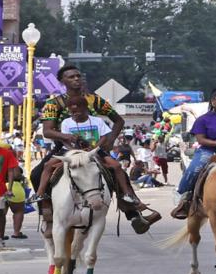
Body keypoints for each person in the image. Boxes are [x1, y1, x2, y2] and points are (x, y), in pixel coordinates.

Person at [36, 64, 161, 234]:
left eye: (78, 76)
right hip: (65, 148)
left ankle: (133, 214)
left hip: (95, 147)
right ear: (62, 81)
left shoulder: (95, 100)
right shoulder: (54, 103)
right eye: (71, 77)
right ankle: (46, 210)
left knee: (118, 172)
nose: (76, 79)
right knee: (36, 174)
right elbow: (47, 130)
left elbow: (119, 121)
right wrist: (67, 137)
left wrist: (109, 140)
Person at [170, 87, 216, 220]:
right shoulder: (203, 119)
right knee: (195, 169)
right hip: (209, 150)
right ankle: (183, 198)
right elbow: (201, 139)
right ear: (213, 101)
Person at [6, 167, 30, 238]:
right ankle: (16, 233)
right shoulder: (14, 165)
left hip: (3, 187)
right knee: (18, 212)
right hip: (17, 189)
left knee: (0, 214)